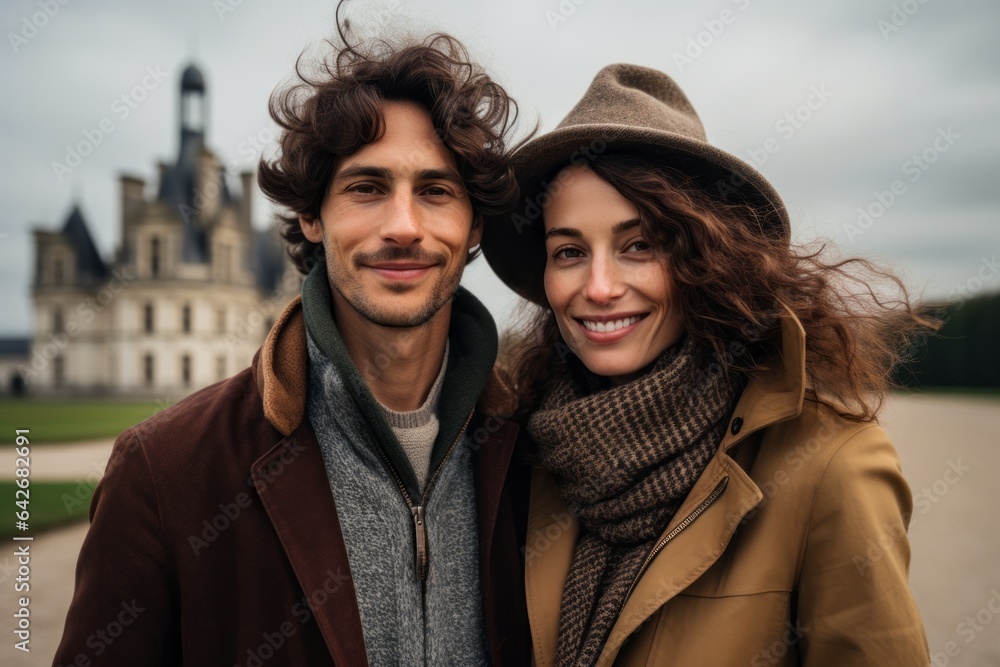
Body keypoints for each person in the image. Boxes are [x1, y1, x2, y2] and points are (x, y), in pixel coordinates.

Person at [54, 28, 532, 667]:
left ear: (474, 225)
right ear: (312, 215)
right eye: (366, 187)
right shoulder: (165, 475)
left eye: (436, 191)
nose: (403, 226)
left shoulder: (534, 450)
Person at [481, 64, 932, 666]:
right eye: (569, 251)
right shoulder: (531, 453)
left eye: (638, 245)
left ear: (706, 257)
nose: (599, 286)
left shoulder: (832, 465)